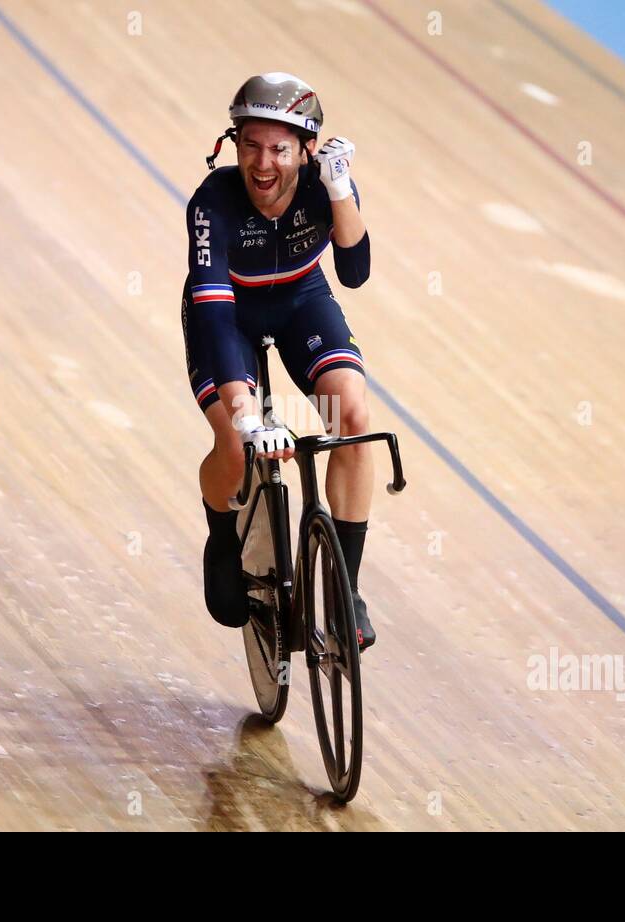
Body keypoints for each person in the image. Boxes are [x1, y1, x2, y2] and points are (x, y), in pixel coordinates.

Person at [181, 72, 377, 649]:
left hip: (300, 302)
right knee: (237, 445)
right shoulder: (213, 201)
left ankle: (347, 587)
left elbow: (356, 272)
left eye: (279, 149)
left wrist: (342, 193)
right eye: (251, 146)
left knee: (354, 422)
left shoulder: (327, 186)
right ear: (234, 144)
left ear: (306, 151)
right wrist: (244, 412)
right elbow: (213, 313)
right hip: (229, 315)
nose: (262, 163)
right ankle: (223, 535)